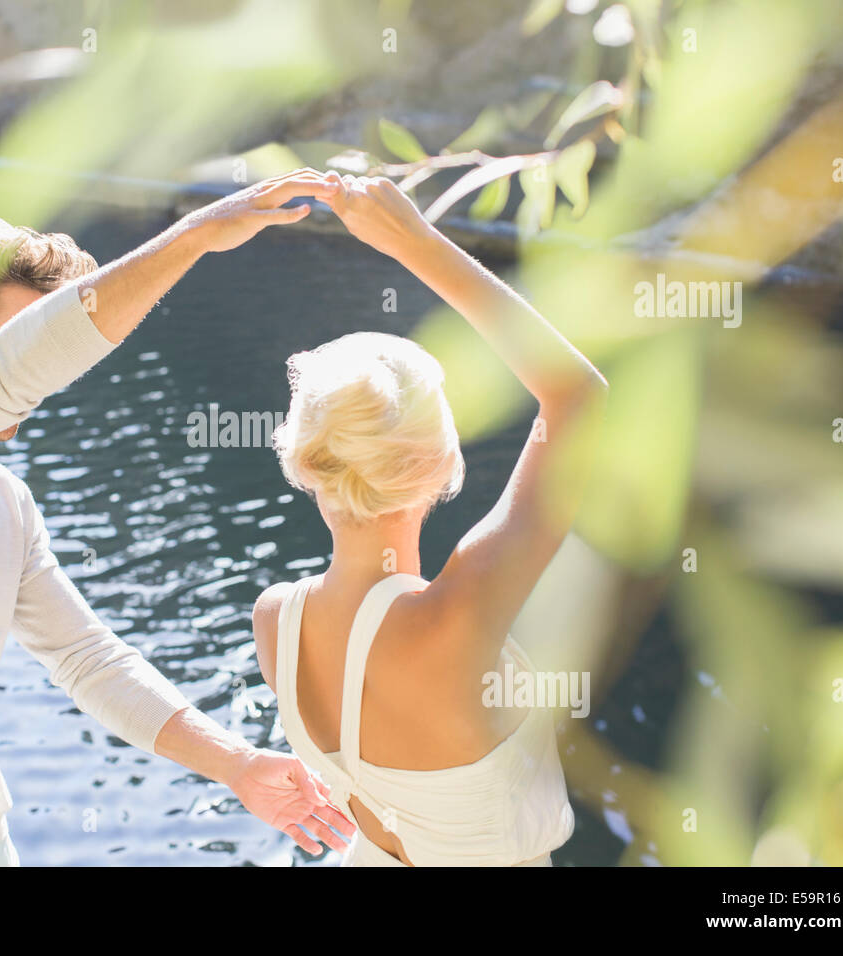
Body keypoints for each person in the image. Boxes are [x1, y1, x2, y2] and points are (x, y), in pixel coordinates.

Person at [0, 169, 357, 866]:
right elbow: (8, 376)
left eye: (36, 342)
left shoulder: (5, 502)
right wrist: (194, 236)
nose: (37, 371)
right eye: (10, 341)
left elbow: (89, 660)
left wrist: (234, 763)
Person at [252, 172, 609, 866]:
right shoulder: (455, 619)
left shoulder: (276, 622)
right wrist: (414, 241)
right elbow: (578, 399)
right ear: (441, 463)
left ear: (308, 461)